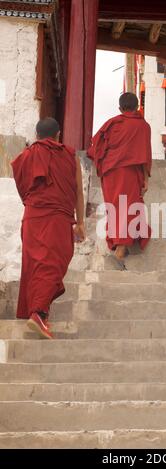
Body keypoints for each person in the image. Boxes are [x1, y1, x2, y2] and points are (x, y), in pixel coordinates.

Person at [11, 117, 85, 339]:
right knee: (53, 263)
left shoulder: (25, 156)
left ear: (36, 136)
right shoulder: (69, 156)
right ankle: (38, 313)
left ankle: (39, 313)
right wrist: (80, 222)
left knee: (36, 264)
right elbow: (78, 192)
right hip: (58, 218)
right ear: (58, 135)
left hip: (32, 216)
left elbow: (23, 189)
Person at [88, 92, 152, 269]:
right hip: (130, 173)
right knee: (128, 207)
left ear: (120, 108)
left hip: (111, 173)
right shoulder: (143, 126)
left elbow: (96, 147)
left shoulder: (112, 123)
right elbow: (144, 154)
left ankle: (121, 245)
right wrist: (146, 179)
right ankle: (121, 248)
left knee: (116, 207)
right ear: (137, 106)